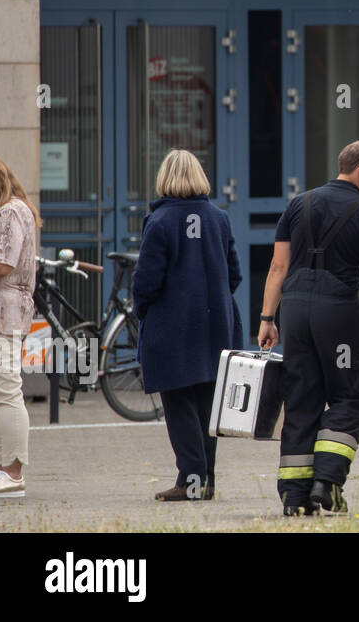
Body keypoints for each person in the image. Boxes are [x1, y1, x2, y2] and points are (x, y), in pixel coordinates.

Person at [258, 140, 359, 516]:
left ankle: (294, 496)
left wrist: (268, 319)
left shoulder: (297, 204)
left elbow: (277, 268)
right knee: (352, 396)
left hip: (295, 312)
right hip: (337, 314)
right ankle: (327, 483)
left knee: (301, 398)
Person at [132, 149, 243, 502]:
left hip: (173, 326)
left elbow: (147, 280)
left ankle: (191, 481)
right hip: (215, 325)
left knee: (178, 405)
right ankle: (204, 481)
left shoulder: (160, 221)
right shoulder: (218, 217)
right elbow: (235, 273)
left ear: (165, 178)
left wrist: (142, 311)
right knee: (207, 405)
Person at [0, 157, 39, 500]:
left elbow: (3, 263)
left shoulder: (9, 212)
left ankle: (12, 472)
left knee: (6, 391)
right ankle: (7, 468)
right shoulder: (17, 209)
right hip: (6, 312)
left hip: (3, 313)